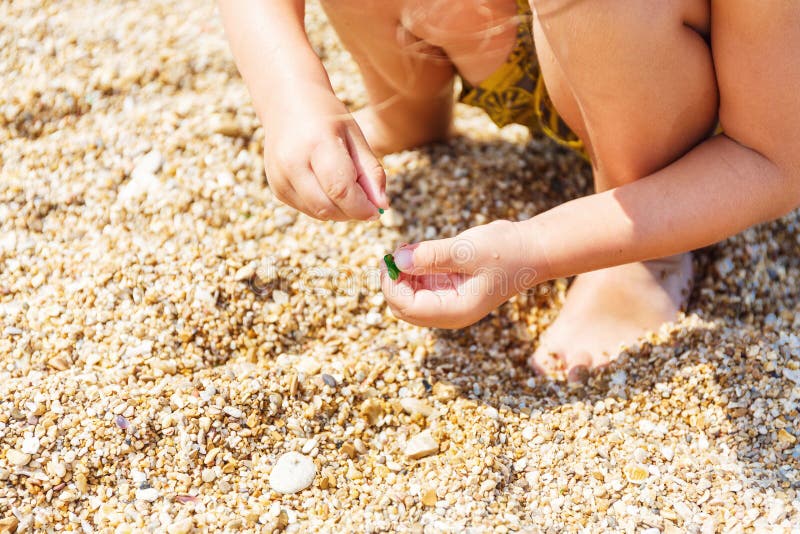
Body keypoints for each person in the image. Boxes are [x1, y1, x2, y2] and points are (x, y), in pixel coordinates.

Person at [219, 0, 800, 380]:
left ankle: (643, 256)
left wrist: (537, 249)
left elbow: (770, 158)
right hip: (525, 44)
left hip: (710, 102)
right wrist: (290, 93)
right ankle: (408, 107)